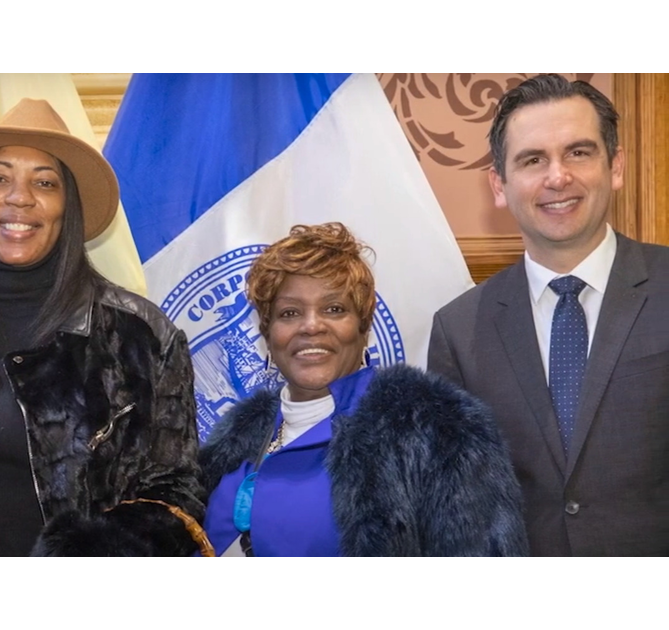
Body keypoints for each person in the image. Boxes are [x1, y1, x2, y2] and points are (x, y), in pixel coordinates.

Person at [0, 98, 208, 556]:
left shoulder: (140, 335)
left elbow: (177, 493)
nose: (19, 197)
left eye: (45, 182)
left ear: (68, 208)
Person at [428, 74, 669, 556]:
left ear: (615, 166)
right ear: (499, 185)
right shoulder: (458, 328)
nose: (557, 177)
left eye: (578, 152)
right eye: (533, 160)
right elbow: (456, 509)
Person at [200, 223, 528, 556]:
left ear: (363, 325)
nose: (311, 325)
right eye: (290, 313)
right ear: (268, 333)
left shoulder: (437, 430)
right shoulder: (235, 435)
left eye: (334, 309)